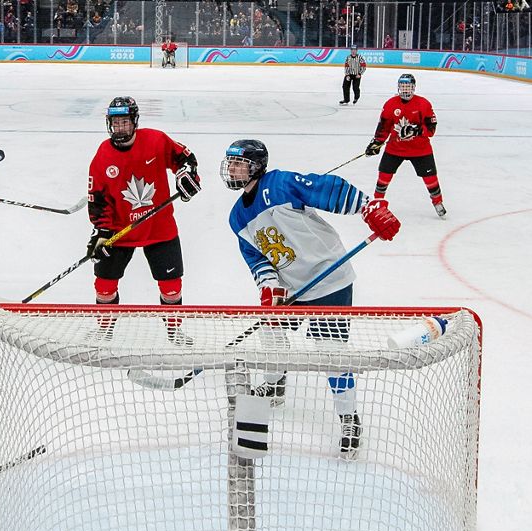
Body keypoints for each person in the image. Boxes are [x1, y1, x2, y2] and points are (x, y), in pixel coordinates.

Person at [219, 138, 401, 458]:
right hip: (292, 288)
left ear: (256, 165)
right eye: (230, 162)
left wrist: (367, 206)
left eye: (238, 162)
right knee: (271, 331)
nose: (231, 168)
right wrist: (269, 285)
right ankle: (275, 383)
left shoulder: (280, 183)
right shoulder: (237, 217)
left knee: (331, 355)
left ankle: (349, 418)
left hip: (329, 278)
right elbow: (256, 257)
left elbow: (326, 188)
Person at [85, 96, 201, 344]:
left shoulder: (156, 140)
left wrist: (187, 176)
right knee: (104, 285)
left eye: (125, 122)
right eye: (115, 123)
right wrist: (102, 231)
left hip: (159, 227)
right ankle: (104, 330)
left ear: (134, 121)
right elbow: (98, 199)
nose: (120, 128)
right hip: (119, 230)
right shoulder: (102, 155)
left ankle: (174, 330)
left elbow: (185, 159)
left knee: (171, 286)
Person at [363, 73, 445, 218]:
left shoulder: (424, 104)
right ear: (398, 88)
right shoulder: (390, 104)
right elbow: (384, 127)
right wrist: (376, 143)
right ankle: (377, 202)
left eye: (408, 87)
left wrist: (417, 130)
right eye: (402, 87)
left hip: (420, 150)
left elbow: (431, 128)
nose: (405, 90)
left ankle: (437, 202)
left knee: (430, 177)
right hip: (395, 148)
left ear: (414, 87)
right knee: (384, 174)